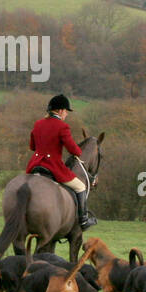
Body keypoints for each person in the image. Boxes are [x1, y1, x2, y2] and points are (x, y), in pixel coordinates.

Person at [26, 93, 96, 230]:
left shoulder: (38, 124)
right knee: (80, 186)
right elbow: (73, 149)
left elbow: (32, 146)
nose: (67, 115)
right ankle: (83, 220)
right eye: (66, 111)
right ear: (60, 111)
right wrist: (78, 152)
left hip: (34, 166)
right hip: (53, 167)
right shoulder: (62, 126)